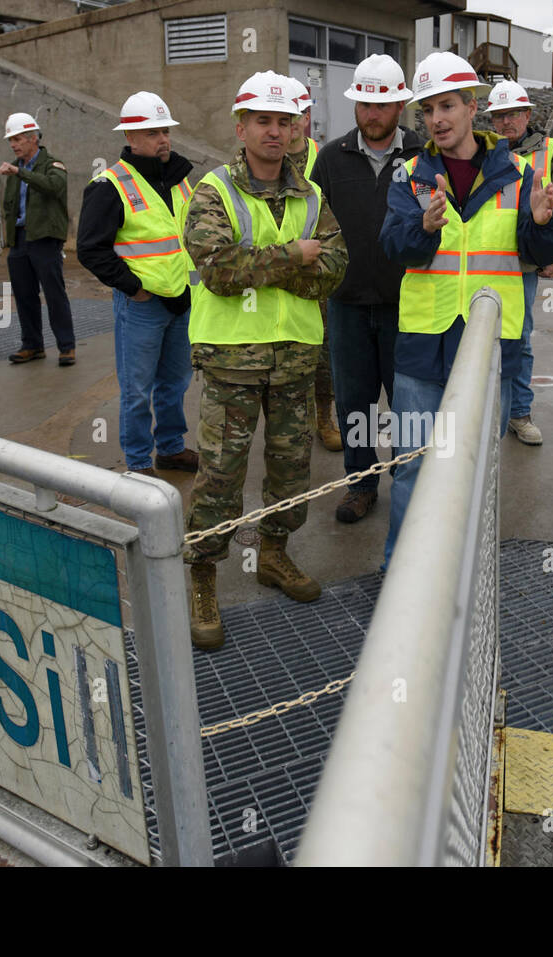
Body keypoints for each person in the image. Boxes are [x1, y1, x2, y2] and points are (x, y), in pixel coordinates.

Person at [381, 52, 553, 568]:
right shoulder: (410, 175)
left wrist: (543, 223)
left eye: (447, 106)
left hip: (492, 345)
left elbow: (544, 250)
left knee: (477, 468)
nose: (436, 119)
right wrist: (422, 230)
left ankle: (469, 568)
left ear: (472, 108)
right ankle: (401, 567)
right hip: (424, 343)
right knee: (413, 466)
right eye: (427, 109)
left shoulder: (517, 172)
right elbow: (393, 247)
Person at [182, 72, 347, 650]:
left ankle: (273, 553)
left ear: (298, 129)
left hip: (296, 363)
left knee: (291, 473)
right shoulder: (213, 192)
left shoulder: (311, 196)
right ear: (242, 127)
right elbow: (221, 271)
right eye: (263, 121)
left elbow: (335, 268)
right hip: (232, 364)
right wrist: (294, 259)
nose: (275, 131)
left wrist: (279, 264)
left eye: (284, 122)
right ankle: (203, 574)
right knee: (220, 480)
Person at [309, 54, 423, 523]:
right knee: (355, 403)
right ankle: (360, 485)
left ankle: (409, 484)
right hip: (347, 307)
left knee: (408, 403)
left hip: (409, 305)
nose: (372, 114)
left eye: (383, 106)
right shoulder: (331, 159)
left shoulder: (422, 154)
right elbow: (313, 224)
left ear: (400, 106)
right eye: (365, 106)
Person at [76, 91, 197, 477]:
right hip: (141, 305)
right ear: (130, 136)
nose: (163, 139)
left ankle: (171, 448)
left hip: (179, 299)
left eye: (165, 130)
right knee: (136, 391)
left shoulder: (178, 179)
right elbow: (91, 249)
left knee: (175, 383)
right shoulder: (109, 185)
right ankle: (140, 464)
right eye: (152, 132)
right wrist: (134, 288)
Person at [486, 79, 553, 446]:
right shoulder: (485, 152)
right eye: (499, 116)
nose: (507, 122)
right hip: (485, 260)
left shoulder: (551, 152)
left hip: (523, 265)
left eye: (513, 114)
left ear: (528, 114)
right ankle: (485, 411)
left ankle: (518, 413)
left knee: (519, 338)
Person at [284, 75, 341, 452]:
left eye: (297, 116)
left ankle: (324, 416)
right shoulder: (259, 159)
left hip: (319, 274)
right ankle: (288, 421)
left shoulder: (328, 158)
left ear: (308, 116)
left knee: (324, 355)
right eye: (282, 117)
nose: (290, 126)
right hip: (277, 274)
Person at [0, 112, 77, 367]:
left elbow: (53, 187)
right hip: (20, 239)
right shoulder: (15, 169)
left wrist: (20, 173)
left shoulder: (53, 165)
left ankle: (67, 346)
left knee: (54, 294)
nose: (13, 145)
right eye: (11, 140)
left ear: (34, 138)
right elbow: (11, 207)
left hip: (44, 239)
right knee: (23, 295)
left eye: (18, 139)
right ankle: (32, 345)